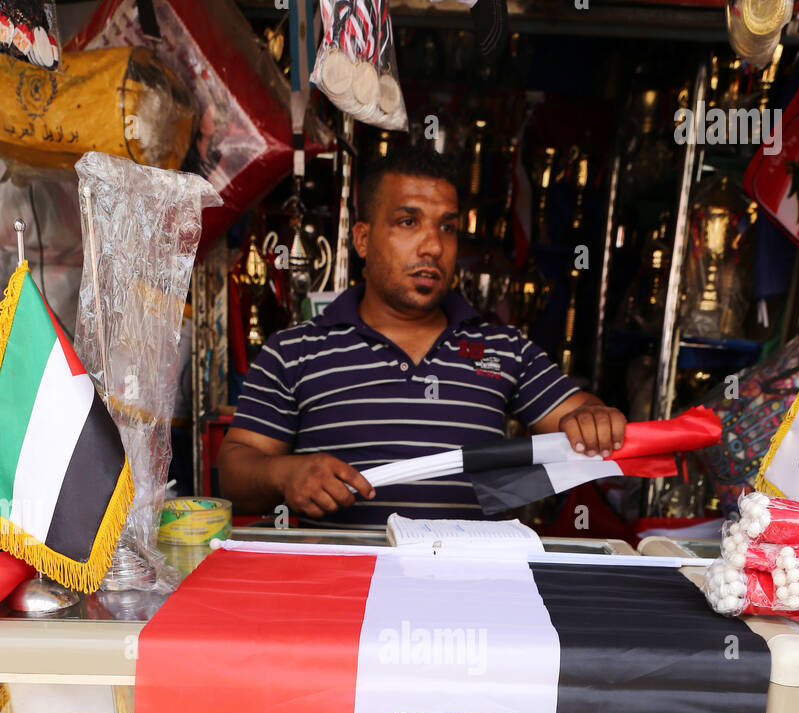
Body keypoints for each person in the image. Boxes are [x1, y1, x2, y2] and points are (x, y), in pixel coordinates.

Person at [219, 144, 627, 525]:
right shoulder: (295, 351)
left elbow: (575, 415)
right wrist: (282, 473)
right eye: (408, 222)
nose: (433, 246)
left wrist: (592, 415)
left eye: (447, 228)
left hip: (471, 589)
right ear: (362, 238)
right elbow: (235, 474)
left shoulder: (503, 348)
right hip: (341, 589)